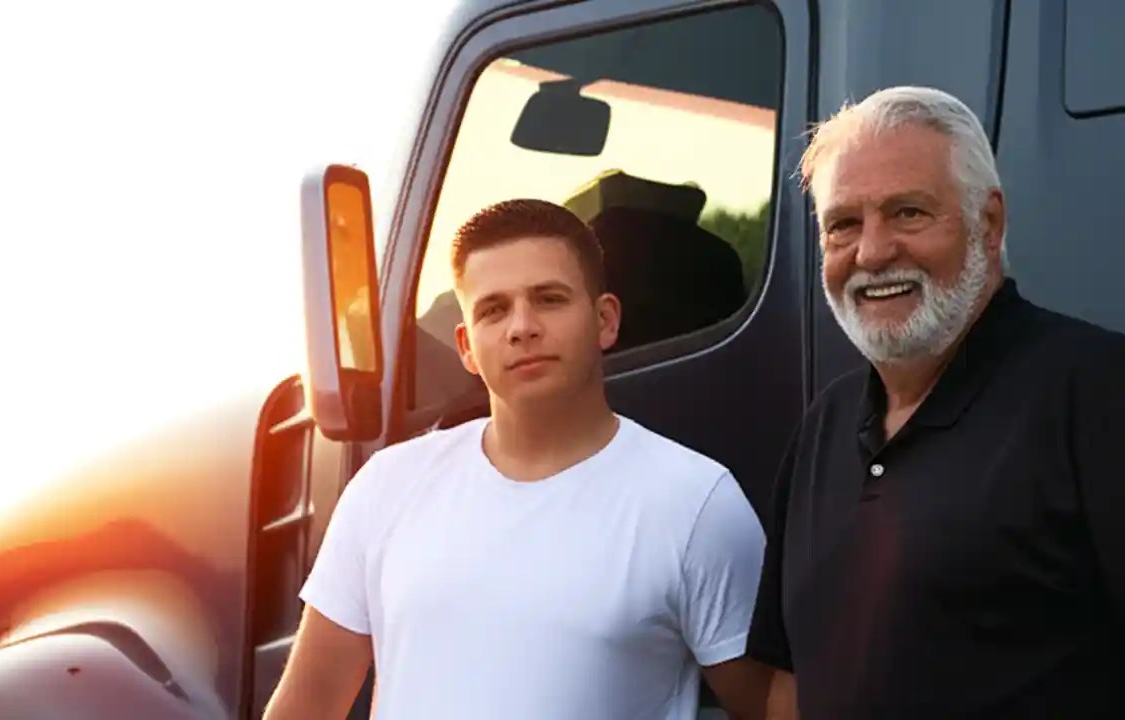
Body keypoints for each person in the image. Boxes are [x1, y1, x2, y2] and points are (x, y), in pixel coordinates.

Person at [265, 198, 772, 719]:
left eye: (549, 300)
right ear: (466, 345)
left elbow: (773, 709)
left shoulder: (694, 504)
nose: (521, 327)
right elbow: (310, 703)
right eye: (493, 309)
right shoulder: (387, 488)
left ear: (605, 320)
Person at [748, 85, 1125, 719]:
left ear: (989, 221)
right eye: (842, 224)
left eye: (909, 213)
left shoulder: (1096, 392)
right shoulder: (825, 424)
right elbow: (789, 680)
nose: (871, 252)